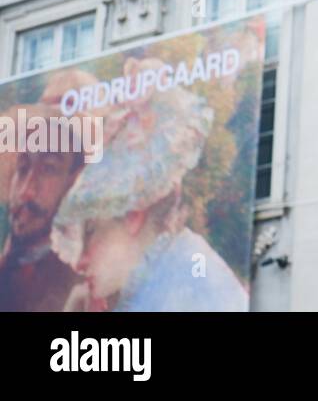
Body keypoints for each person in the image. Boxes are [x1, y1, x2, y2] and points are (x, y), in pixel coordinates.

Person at [51, 83, 247, 311]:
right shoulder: (169, 272)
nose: (79, 262)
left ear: (133, 216)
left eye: (91, 232)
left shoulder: (188, 280)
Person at [0, 81, 92, 311]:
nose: (26, 192)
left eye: (49, 169)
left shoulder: (86, 288)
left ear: (75, 180)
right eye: (22, 169)